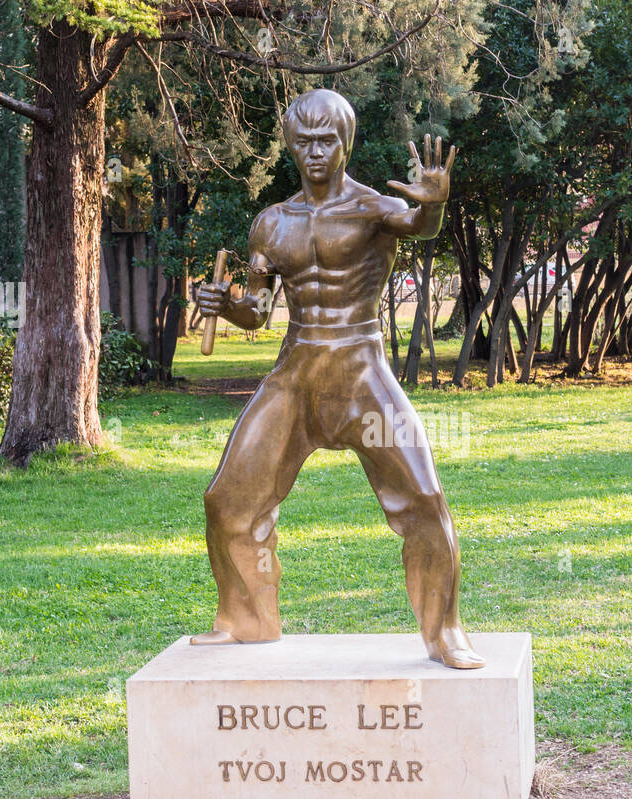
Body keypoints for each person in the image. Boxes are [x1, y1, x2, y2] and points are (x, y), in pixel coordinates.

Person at [190, 88, 483, 669]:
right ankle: (245, 619)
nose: (317, 152)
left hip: (359, 372)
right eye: (305, 142)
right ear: (291, 147)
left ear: (345, 144)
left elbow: (417, 224)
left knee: (424, 498)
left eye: (328, 140)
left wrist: (436, 206)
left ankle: (445, 631)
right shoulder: (271, 223)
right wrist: (226, 307)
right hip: (296, 374)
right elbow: (256, 309)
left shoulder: (373, 209)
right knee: (227, 500)